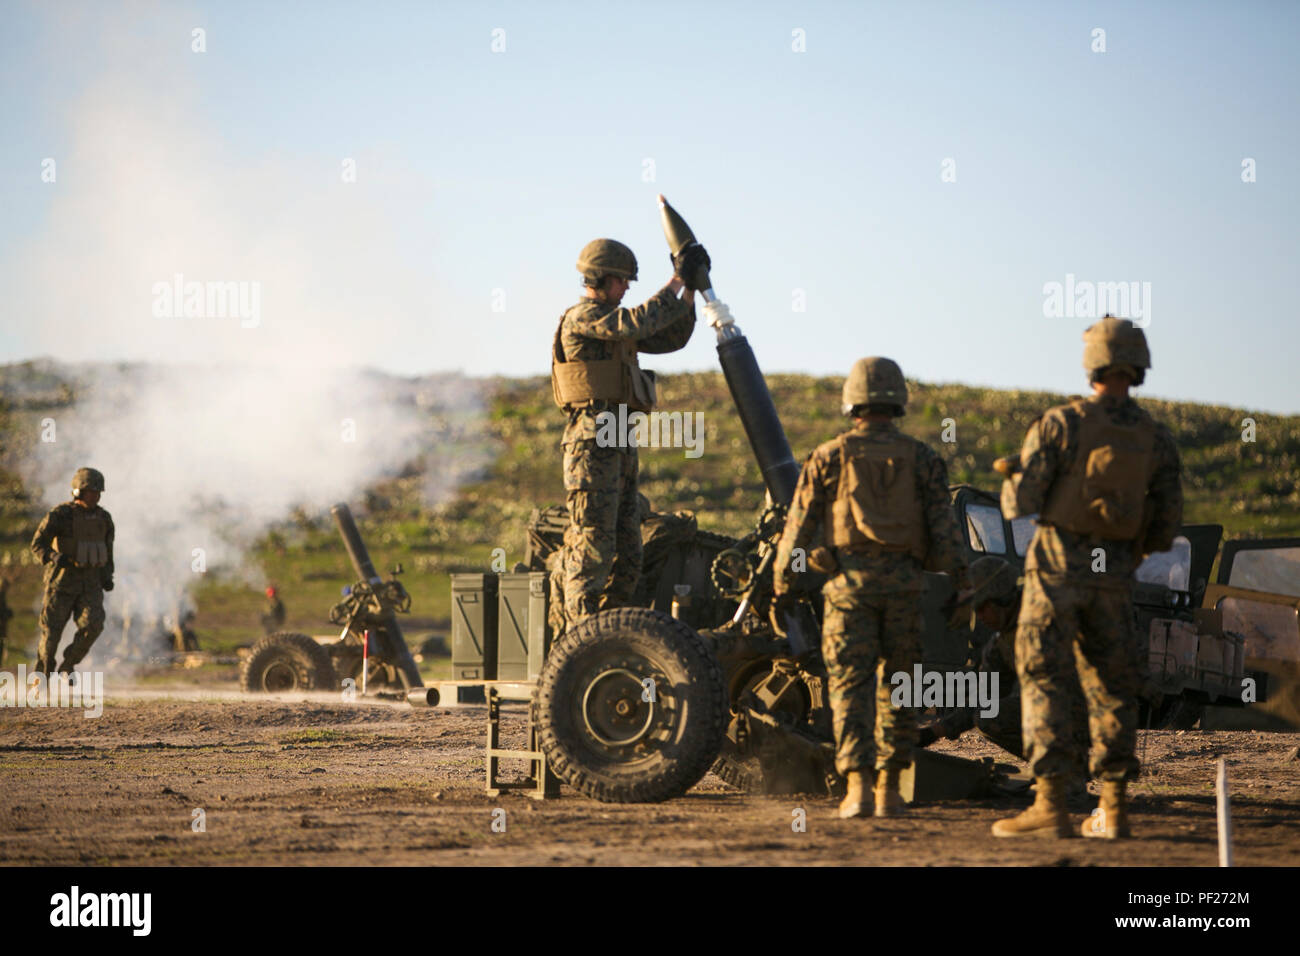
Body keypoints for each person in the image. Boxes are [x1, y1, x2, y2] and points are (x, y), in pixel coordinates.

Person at [993, 317, 1183, 839]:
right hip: (1114, 579)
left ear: (1091, 362)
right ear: (1138, 364)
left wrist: (1012, 474)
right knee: (1113, 689)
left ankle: (1051, 803)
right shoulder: (1155, 438)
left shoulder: (1060, 423)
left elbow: (1020, 505)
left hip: (1054, 575)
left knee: (1044, 681)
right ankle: (1114, 808)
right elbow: (1166, 528)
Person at [773, 357, 971, 818]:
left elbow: (797, 529)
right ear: (897, 401)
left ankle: (857, 790)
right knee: (898, 688)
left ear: (852, 403)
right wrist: (963, 585)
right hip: (905, 590)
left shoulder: (828, 456)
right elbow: (945, 534)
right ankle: (890, 791)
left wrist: (783, 585)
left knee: (849, 686)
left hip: (848, 591)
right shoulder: (923, 459)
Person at [550, 237, 706, 629]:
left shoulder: (613, 324)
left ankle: (608, 632)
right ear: (600, 278)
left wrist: (689, 290)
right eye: (622, 281)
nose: (626, 289)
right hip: (591, 445)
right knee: (593, 547)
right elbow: (638, 321)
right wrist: (674, 280)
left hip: (617, 441)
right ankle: (580, 636)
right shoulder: (584, 318)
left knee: (628, 554)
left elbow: (669, 336)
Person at [920, 556, 1090, 789]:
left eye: (982, 608)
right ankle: (1063, 770)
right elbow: (984, 698)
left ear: (1002, 599)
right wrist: (933, 732)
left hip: (1094, 709)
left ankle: (1066, 773)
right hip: (1063, 711)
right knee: (988, 716)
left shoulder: (1046, 623)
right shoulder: (1002, 642)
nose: (979, 617)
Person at [30, 467, 114, 675]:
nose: (95, 496)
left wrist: (107, 577)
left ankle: (68, 665)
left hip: (90, 584)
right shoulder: (60, 515)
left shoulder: (104, 519)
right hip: (62, 583)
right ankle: (42, 675)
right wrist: (56, 557)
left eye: (98, 492)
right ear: (78, 491)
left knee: (94, 625)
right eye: (91, 491)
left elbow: (108, 552)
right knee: (51, 633)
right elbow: (38, 545)